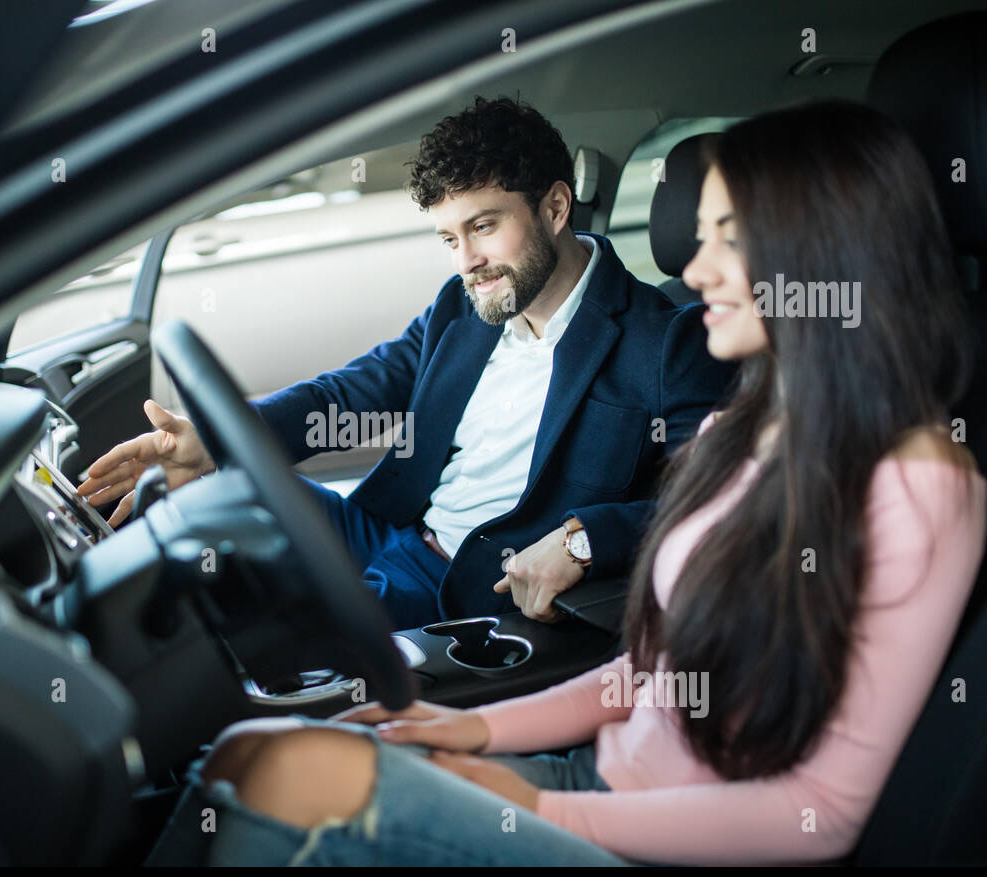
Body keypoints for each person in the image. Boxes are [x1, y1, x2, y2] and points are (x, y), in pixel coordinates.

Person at [143, 100, 987, 866]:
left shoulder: (913, 485)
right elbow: (653, 669)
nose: (696, 272)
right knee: (242, 744)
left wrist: (542, 805)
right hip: (582, 761)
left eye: (731, 237)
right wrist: (475, 728)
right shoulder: (749, 433)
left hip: (646, 823)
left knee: (284, 766)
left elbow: (823, 813)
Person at [78, 96, 734, 628]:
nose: (466, 262)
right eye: (450, 238)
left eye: (483, 227)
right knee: (197, 501)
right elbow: (355, 394)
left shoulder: (669, 343)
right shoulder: (464, 304)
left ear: (556, 207)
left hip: (468, 588)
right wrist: (216, 441)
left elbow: (717, 504)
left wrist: (583, 539)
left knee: (237, 628)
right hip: (385, 529)